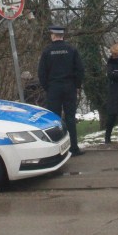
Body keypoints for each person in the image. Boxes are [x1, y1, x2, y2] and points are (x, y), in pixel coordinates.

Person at [38, 25, 85, 155]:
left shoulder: (47, 51)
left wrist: (48, 87)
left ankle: (58, 150)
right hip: (69, 87)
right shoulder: (71, 49)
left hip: (54, 88)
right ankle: (74, 148)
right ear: (62, 36)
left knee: (54, 119)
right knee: (70, 117)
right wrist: (77, 85)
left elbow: (41, 73)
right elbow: (80, 70)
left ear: (53, 35)